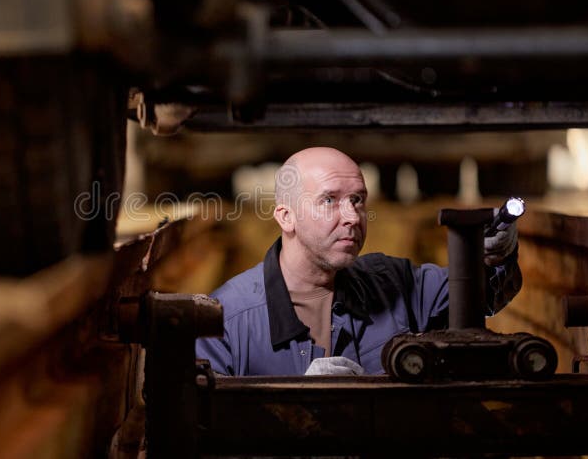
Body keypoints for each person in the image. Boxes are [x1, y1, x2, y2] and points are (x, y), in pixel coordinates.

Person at [196, 147, 521, 376]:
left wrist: (494, 255)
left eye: (358, 200)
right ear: (286, 217)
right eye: (329, 200)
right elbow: (203, 435)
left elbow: (482, 296)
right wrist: (293, 406)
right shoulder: (226, 321)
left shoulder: (395, 283)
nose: (352, 216)